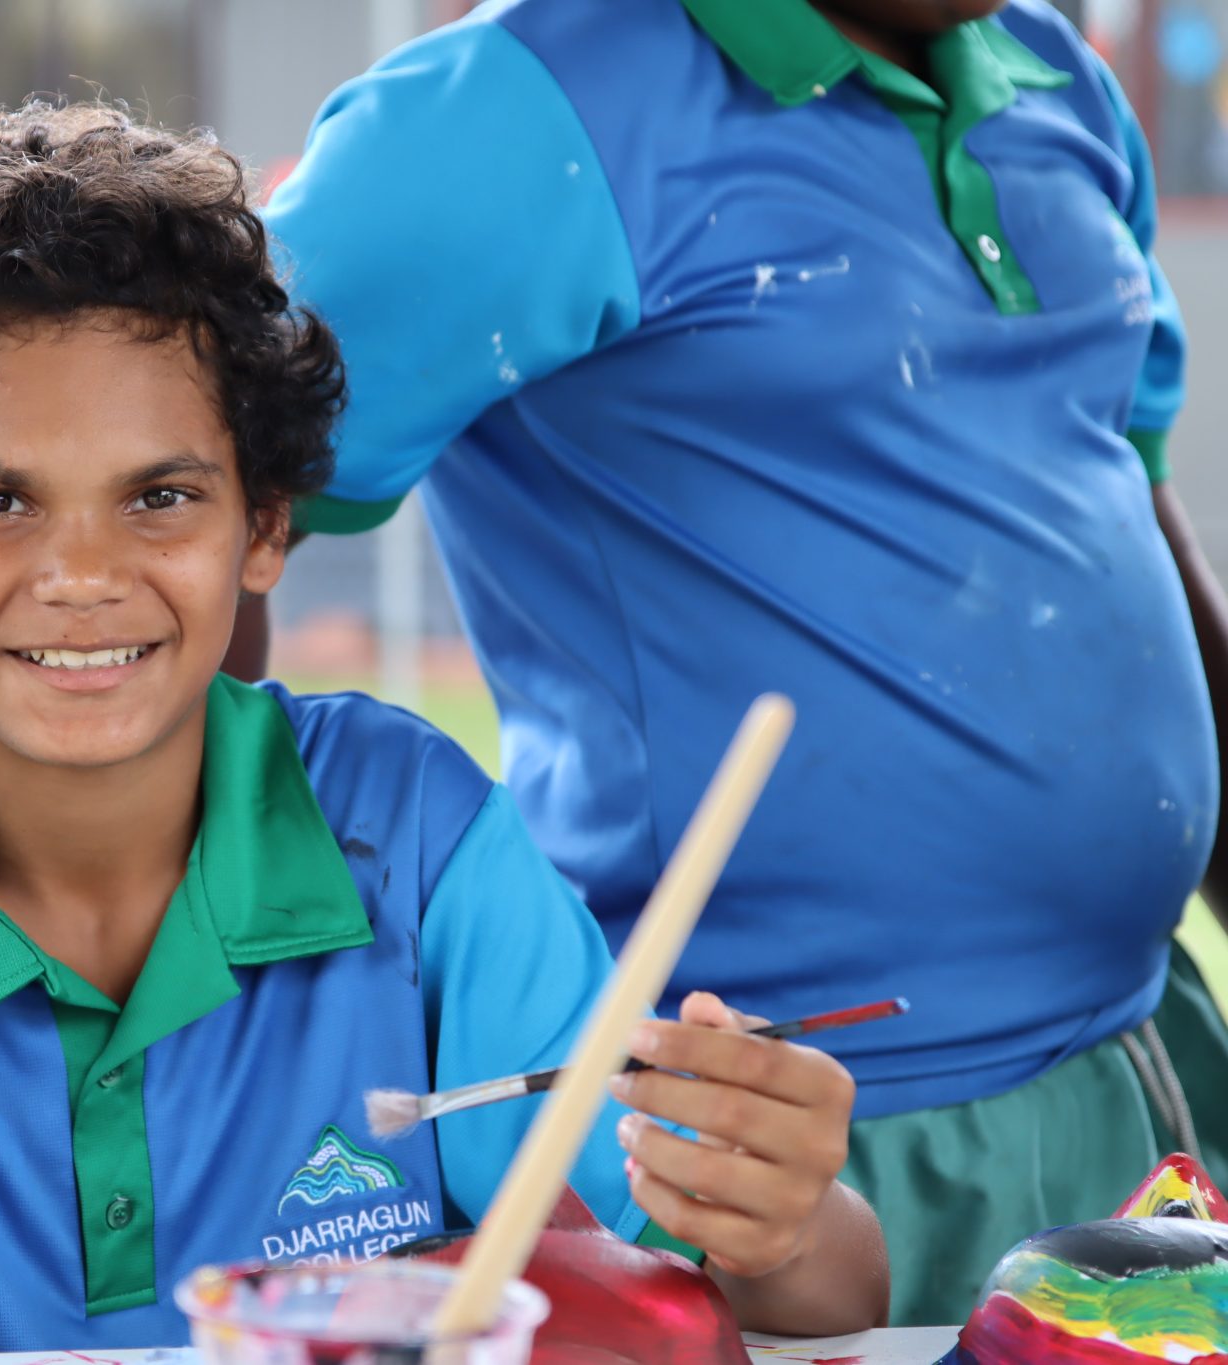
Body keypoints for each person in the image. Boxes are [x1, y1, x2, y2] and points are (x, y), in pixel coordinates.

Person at [0, 100, 888, 1358]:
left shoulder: (405, 828)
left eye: (161, 497)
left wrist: (775, 1225)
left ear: (266, 526)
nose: (80, 575)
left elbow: (796, 1299)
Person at [250, 0, 1228, 1324]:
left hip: (1151, 1079)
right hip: (791, 1169)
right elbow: (180, 485)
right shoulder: (512, 114)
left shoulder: (1055, 75)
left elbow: (1132, 504)